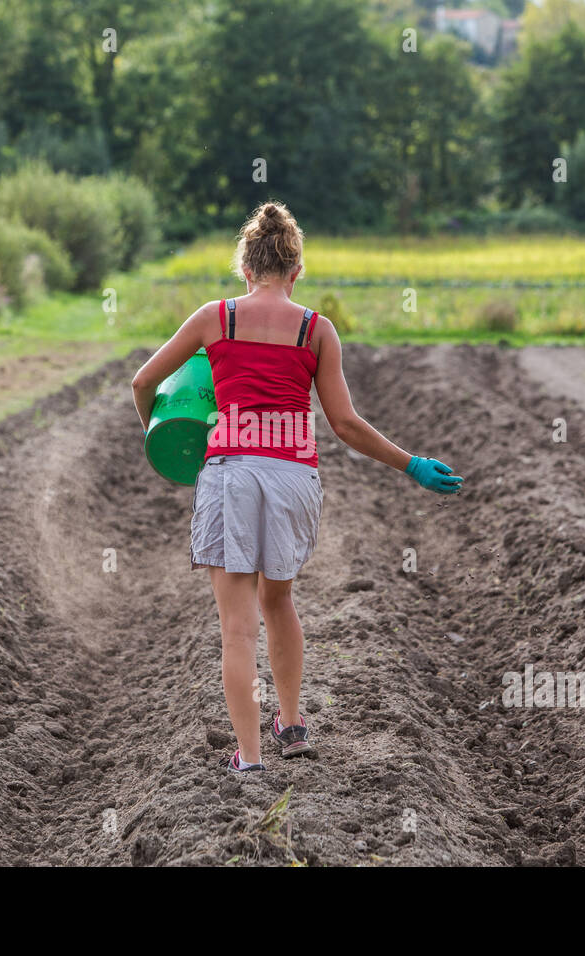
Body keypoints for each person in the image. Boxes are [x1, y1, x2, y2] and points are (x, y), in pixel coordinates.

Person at [132, 201, 462, 773]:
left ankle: (251, 759)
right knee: (279, 601)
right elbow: (346, 424)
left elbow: (143, 382)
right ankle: (291, 722)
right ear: (296, 270)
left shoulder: (215, 318)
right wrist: (411, 464)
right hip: (292, 475)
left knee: (237, 630)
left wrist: (168, 440)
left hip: (230, 472)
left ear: (245, 268)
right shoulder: (316, 329)